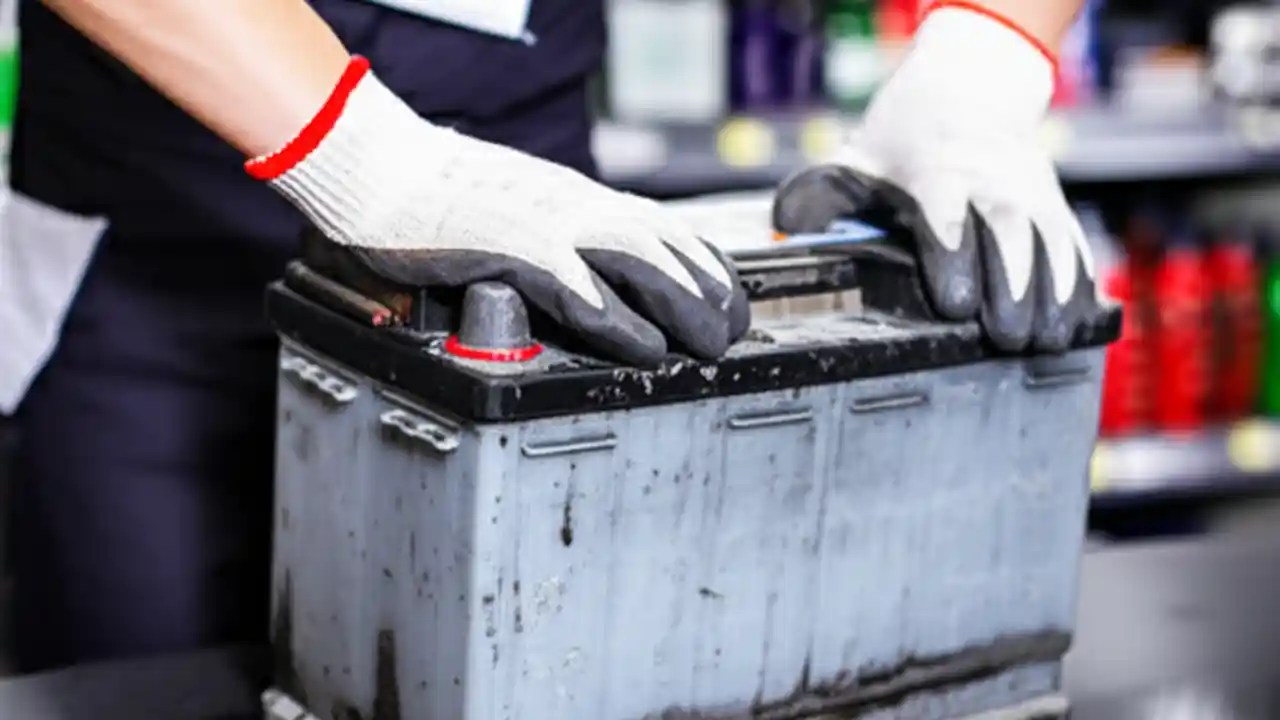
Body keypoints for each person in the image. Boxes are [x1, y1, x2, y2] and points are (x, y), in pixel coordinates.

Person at [1, 0, 1095, 672]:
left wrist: (984, 60)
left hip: (520, 193)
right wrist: (363, 157)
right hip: (149, 222)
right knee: (137, 670)